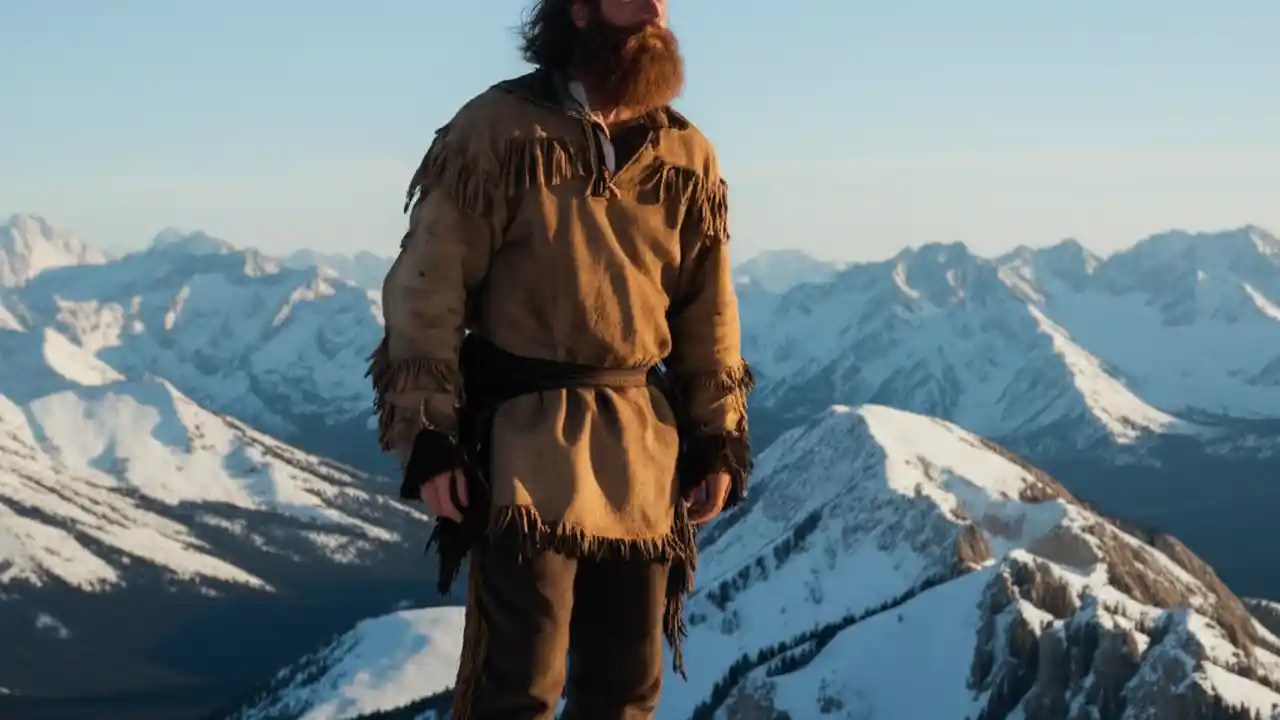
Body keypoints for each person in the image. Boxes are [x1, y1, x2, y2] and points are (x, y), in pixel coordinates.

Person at [368, 1, 753, 717]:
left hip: (643, 452)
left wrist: (715, 437)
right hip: (526, 446)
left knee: (628, 688)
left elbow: (709, 310)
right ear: (578, 9)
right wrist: (429, 433)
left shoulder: (686, 154)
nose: (655, 10)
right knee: (518, 685)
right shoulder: (500, 130)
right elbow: (430, 285)